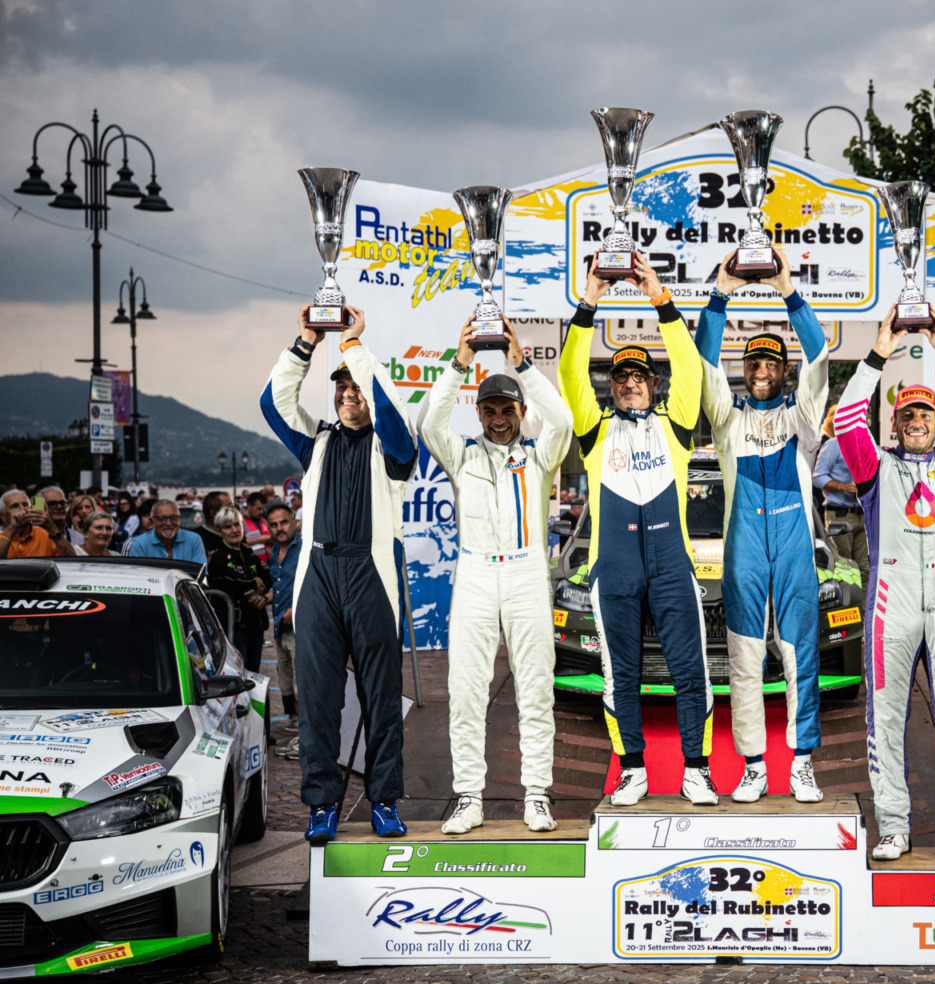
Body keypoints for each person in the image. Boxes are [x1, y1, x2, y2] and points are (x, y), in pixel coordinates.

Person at [834, 304, 935, 864]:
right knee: (886, 721)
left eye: (925, 413)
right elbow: (846, 419)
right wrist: (878, 353)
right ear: (895, 422)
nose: (916, 421)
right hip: (892, 606)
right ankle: (894, 827)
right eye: (907, 414)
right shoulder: (872, 466)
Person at [558, 253, 714, 806]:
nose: (628, 384)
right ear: (612, 386)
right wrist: (590, 298)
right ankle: (632, 769)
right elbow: (570, 370)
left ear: (652, 384)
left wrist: (660, 299)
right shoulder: (593, 429)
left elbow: (691, 368)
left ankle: (696, 768)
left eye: (638, 377)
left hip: (673, 565)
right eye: (620, 377)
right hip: (615, 568)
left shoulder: (676, 427)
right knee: (618, 674)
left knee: (688, 669)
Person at [261, 304, 417, 844]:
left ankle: (384, 802)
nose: (349, 395)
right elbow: (273, 403)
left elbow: (393, 413)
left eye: (357, 388)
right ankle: (321, 804)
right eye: (341, 389)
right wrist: (305, 342)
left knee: (380, 696)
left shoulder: (393, 447)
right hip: (320, 574)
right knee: (319, 698)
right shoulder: (316, 443)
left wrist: (351, 346)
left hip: (371, 572)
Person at [419, 315, 573, 835]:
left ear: (521, 411)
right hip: (477, 573)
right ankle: (468, 797)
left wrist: (521, 364)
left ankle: (537, 795)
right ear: (479, 412)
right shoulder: (460, 455)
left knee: (535, 689)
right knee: (465, 689)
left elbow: (565, 421)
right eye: (490, 409)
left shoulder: (540, 457)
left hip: (529, 570)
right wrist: (460, 362)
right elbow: (428, 422)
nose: (500, 418)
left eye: (508, 409)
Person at [695, 250, 829, 803]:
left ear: (784, 370)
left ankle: (801, 763)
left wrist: (788, 291)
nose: (763, 369)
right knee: (744, 662)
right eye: (753, 363)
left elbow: (821, 356)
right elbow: (703, 364)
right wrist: (720, 294)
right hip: (744, 549)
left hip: (795, 547)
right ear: (744, 371)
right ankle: (753, 765)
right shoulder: (727, 420)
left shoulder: (803, 418)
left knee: (802, 659)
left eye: (772, 363)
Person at [206, 506, 272, 673]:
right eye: (228, 527)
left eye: (237, 525)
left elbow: (267, 578)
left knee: (253, 673)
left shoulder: (249, 553)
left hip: (256, 624)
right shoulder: (219, 557)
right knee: (238, 674)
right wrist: (254, 583)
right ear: (220, 532)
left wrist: (260, 587)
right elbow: (230, 585)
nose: (234, 530)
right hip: (235, 627)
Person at [814, 405, 868, 590]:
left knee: (864, 570)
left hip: (862, 514)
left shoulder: (864, 445)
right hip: (840, 514)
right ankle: (845, 615)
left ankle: (865, 616)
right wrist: (844, 486)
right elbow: (818, 477)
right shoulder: (834, 444)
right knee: (844, 569)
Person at [265, 499, 303, 759]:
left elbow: (315, 585)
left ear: (294, 521)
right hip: (280, 628)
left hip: (301, 629)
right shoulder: (273, 554)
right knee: (287, 680)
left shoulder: (304, 549)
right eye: (274, 525)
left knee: (304, 685)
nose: (280, 528)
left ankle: (306, 740)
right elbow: (278, 586)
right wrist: (264, 597)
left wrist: (296, 611)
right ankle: (298, 728)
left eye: (284, 522)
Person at [127, 499, 208, 564]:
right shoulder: (139, 543)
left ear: (179, 519)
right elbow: (139, 578)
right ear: (152, 522)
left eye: (173, 518)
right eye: (161, 519)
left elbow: (201, 576)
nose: (168, 523)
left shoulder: (194, 540)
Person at [0, 489, 68, 558]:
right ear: (3, 516)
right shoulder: (1, 538)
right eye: (15, 506)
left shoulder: (46, 535)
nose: (22, 508)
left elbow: (71, 560)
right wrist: (12, 529)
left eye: (25, 504)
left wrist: (52, 527)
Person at [243, 491, 272, 564]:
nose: (261, 512)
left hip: (269, 563)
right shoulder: (240, 522)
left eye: (263, 509)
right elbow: (240, 543)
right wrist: (260, 539)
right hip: (252, 564)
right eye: (259, 509)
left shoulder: (264, 521)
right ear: (249, 506)